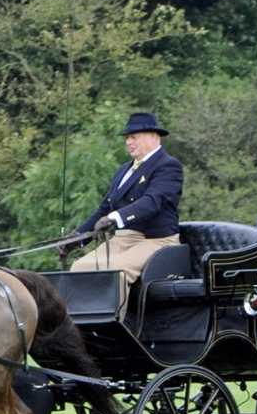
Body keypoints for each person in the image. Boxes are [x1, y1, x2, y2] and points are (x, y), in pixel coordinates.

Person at [57, 112, 183, 317]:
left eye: (134, 137)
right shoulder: (124, 170)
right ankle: (78, 327)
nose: (129, 142)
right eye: (127, 138)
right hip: (123, 240)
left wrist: (115, 218)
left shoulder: (168, 166)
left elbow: (152, 202)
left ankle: (113, 328)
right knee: (80, 267)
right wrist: (76, 238)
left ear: (153, 137)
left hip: (155, 240)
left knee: (115, 272)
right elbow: (104, 208)